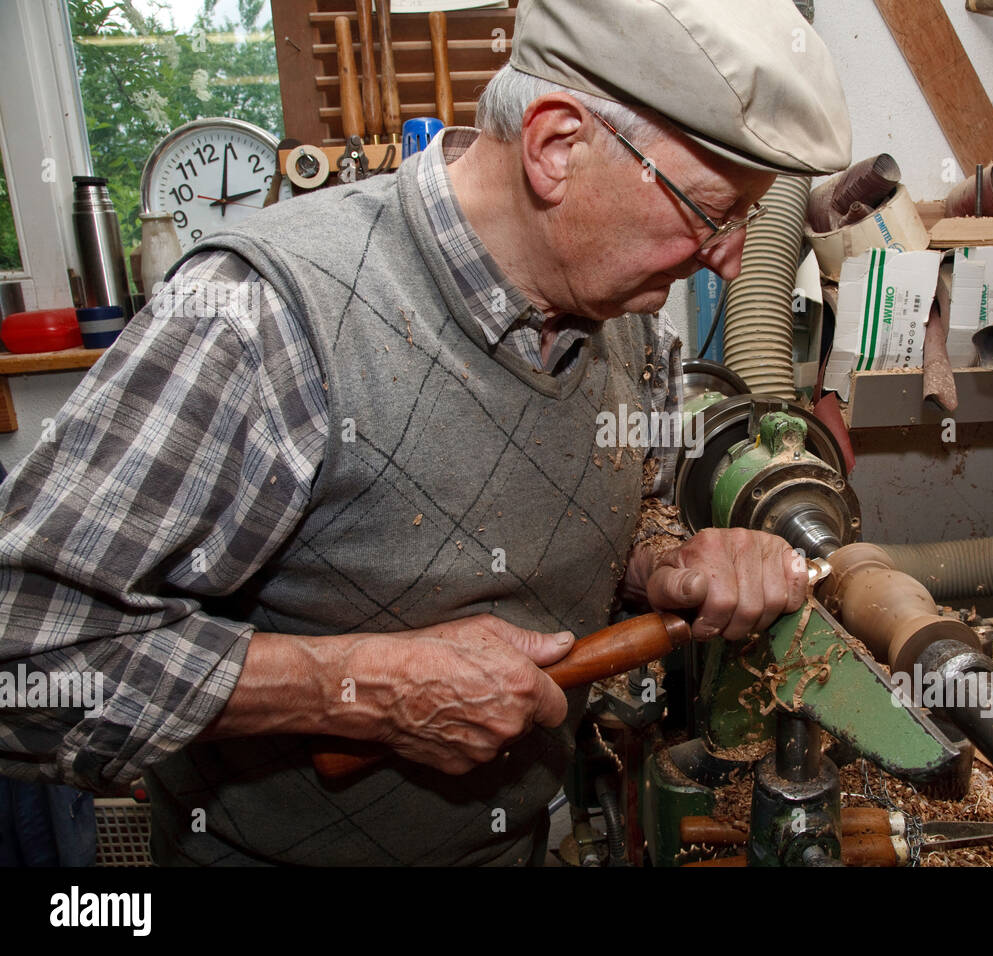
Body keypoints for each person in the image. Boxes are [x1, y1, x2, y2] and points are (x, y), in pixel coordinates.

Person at [0, 0, 850, 865]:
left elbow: (619, 515)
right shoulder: (263, 318)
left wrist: (666, 565)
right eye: (713, 212)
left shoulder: (628, 317)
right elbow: (22, 653)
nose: (735, 258)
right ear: (557, 147)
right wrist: (364, 690)